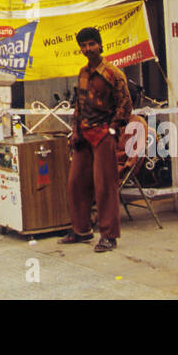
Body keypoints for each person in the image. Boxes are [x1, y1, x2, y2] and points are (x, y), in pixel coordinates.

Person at [60, 26, 131, 253]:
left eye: (91, 44)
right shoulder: (82, 73)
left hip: (103, 135)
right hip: (84, 134)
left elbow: (125, 105)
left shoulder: (113, 74)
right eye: (83, 45)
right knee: (75, 183)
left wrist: (112, 129)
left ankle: (109, 236)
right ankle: (81, 230)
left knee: (104, 187)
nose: (88, 49)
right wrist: (76, 131)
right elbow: (79, 105)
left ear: (100, 45)